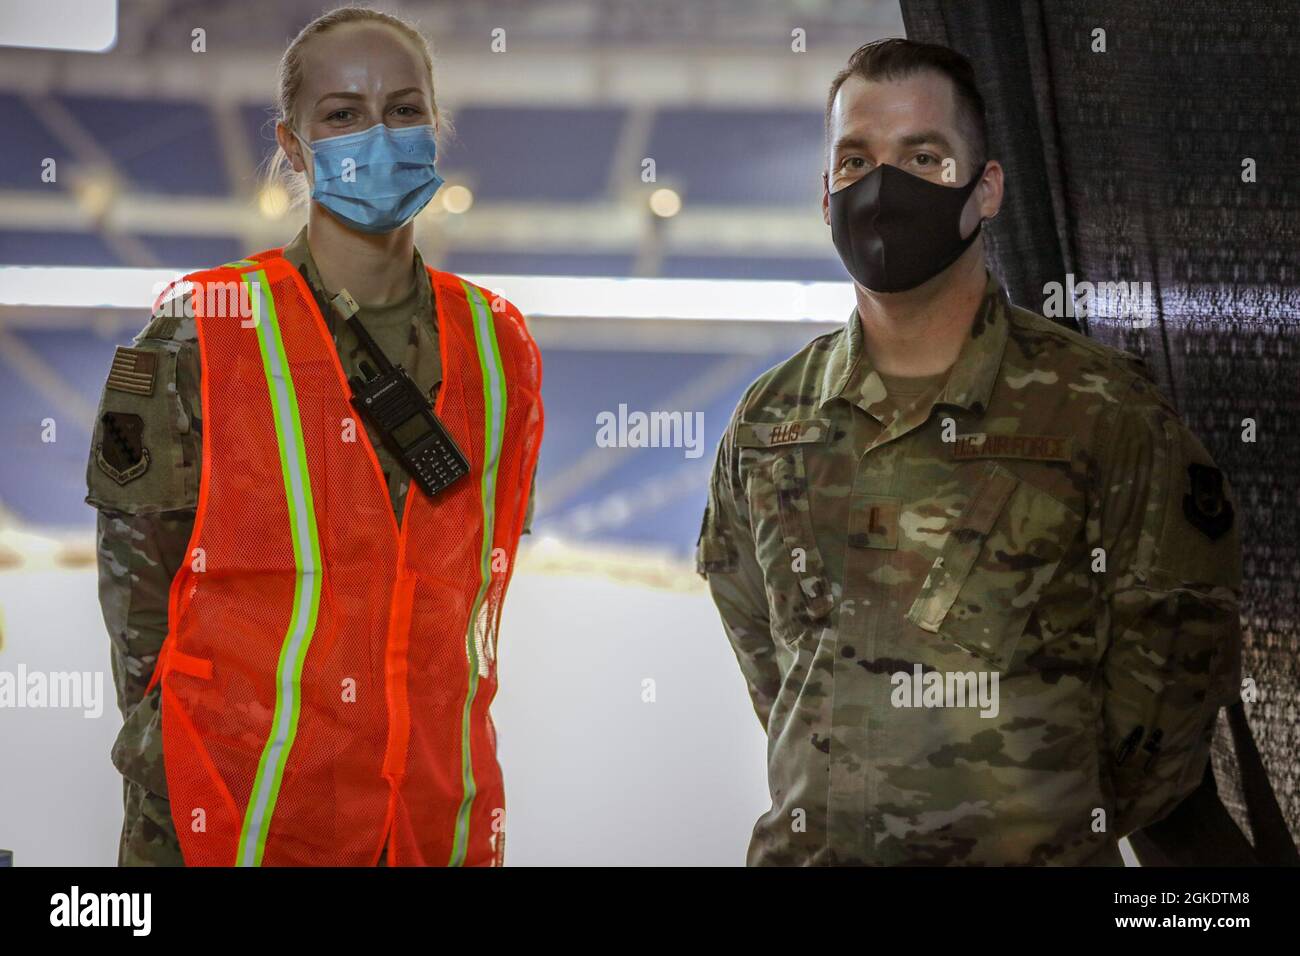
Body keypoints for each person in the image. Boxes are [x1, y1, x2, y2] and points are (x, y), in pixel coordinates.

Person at [696, 38, 1242, 866]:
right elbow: (776, 672)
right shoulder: (770, 421)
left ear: (985, 189)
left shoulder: (1103, 414)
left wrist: (1032, 819)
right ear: (825, 195)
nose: (882, 188)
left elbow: (1167, 701)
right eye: (855, 161)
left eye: (923, 156)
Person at [86, 6, 542, 867]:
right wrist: (179, 764)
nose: (380, 132)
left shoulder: (499, 343)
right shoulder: (197, 331)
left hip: (428, 823)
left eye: (405, 109)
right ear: (293, 145)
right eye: (343, 114)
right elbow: (137, 605)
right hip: (240, 824)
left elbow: (468, 589)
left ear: (435, 126)